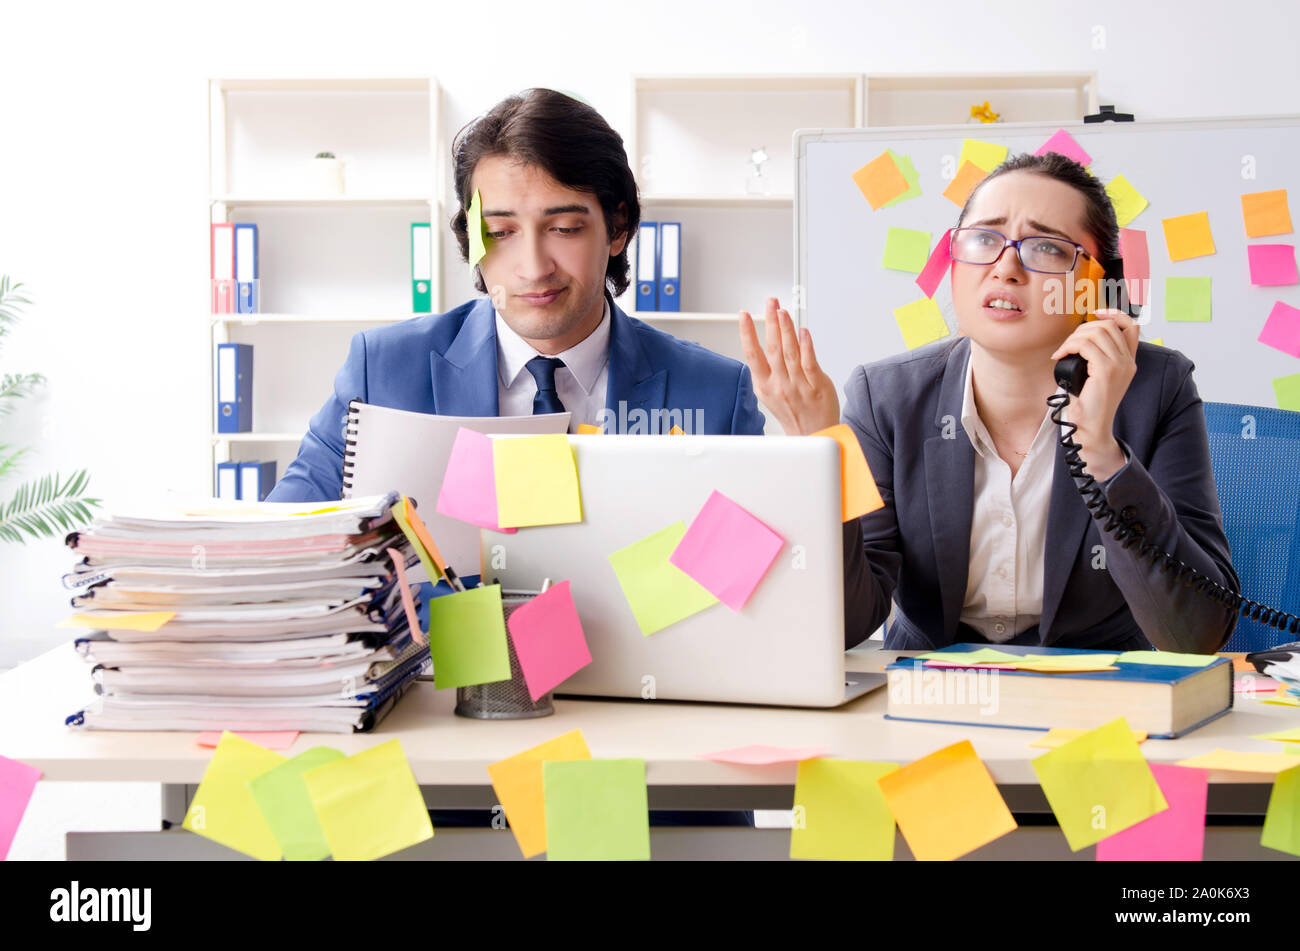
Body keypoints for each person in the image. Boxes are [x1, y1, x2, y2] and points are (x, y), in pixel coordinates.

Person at [740, 151, 1239, 654]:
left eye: (1045, 247)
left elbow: (1195, 635)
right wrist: (823, 454)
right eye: (984, 239)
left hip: (1097, 691)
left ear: (1100, 289)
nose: (1006, 268)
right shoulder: (885, 396)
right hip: (926, 688)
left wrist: (1104, 455)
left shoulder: (1157, 388)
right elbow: (846, 624)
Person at [268, 87, 765, 504]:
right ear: (472, 239)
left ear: (617, 229)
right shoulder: (382, 371)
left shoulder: (717, 395)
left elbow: (755, 586)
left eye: (565, 228)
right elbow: (285, 542)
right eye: (501, 232)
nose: (533, 267)